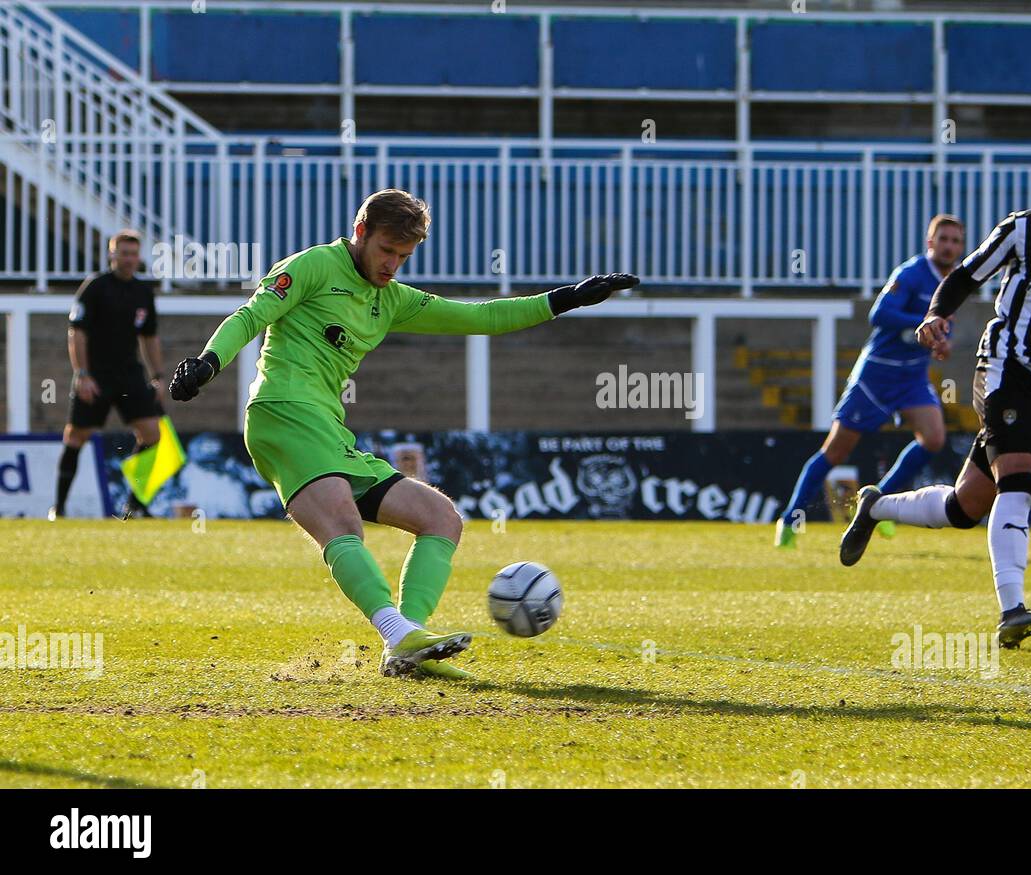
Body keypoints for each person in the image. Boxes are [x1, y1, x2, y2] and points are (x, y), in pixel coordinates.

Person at [169, 188, 637, 679]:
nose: (393, 264)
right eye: (387, 251)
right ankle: (397, 632)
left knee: (440, 518)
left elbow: (481, 317)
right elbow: (251, 316)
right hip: (282, 412)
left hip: (328, 428)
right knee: (344, 526)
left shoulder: (391, 300)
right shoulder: (312, 266)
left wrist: (565, 299)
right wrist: (208, 363)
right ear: (360, 233)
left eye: (404, 256)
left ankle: (407, 640)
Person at [839, 127, 1031, 649]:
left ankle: (874, 506)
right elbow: (963, 276)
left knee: (965, 508)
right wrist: (936, 316)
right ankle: (1012, 609)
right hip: (1005, 368)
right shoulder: (1024, 229)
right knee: (1020, 483)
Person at [775, 215, 964, 548]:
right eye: (943, 239)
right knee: (836, 450)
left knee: (934, 438)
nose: (949, 246)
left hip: (912, 377)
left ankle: (878, 506)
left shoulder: (954, 283)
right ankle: (791, 520)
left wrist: (940, 343)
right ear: (930, 242)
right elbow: (879, 314)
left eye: (955, 241)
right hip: (877, 374)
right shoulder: (910, 274)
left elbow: (938, 329)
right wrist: (923, 321)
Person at [53, 230, 167, 520]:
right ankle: (59, 507)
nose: (128, 259)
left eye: (132, 254)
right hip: (96, 375)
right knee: (77, 435)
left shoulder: (143, 292)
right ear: (111, 254)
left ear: (138, 257)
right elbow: (76, 333)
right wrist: (82, 373)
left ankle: (133, 504)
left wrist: (158, 375)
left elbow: (150, 337)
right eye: (122, 253)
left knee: (153, 433)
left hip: (129, 373)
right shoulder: (95, 287)